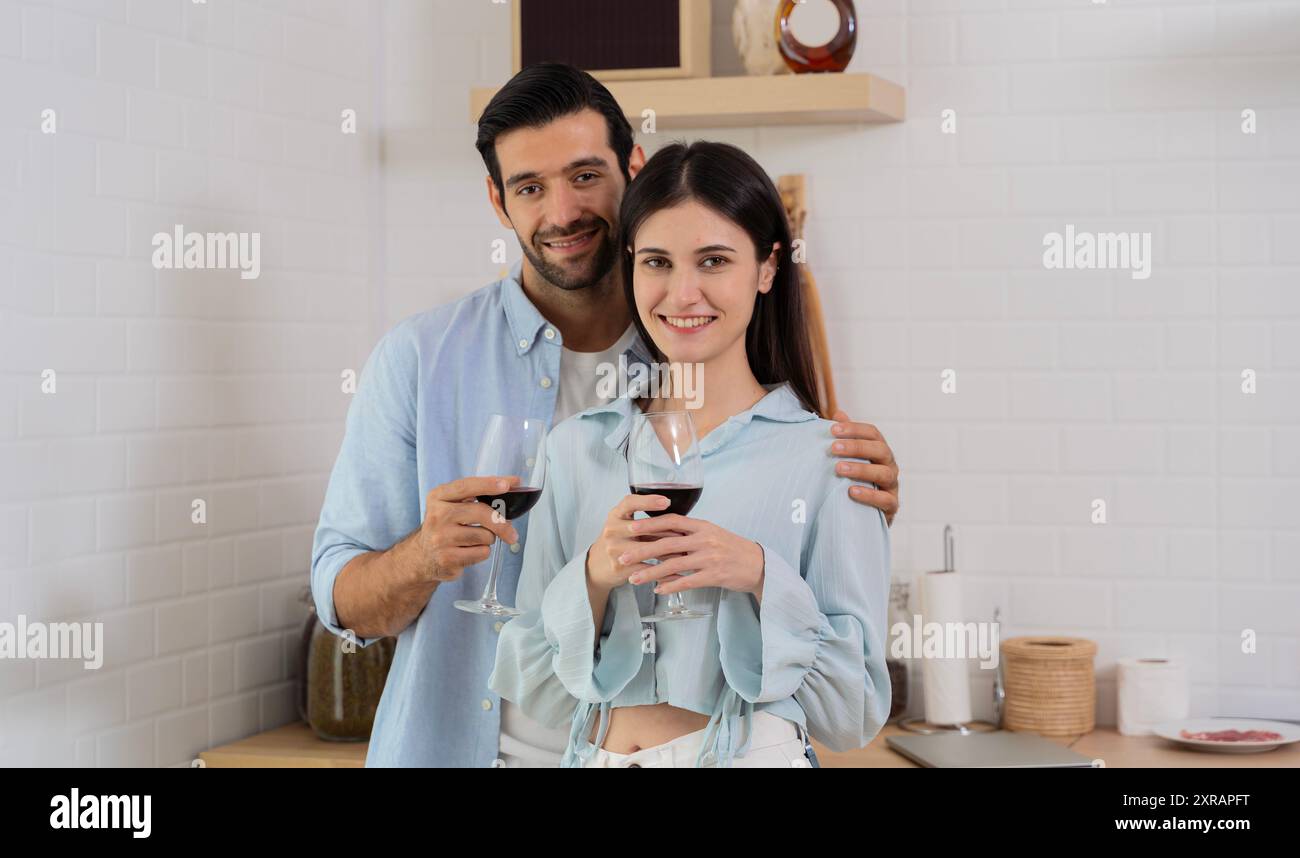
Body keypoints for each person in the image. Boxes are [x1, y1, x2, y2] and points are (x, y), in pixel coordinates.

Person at [310, 63, 901, 767]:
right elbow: (341, 596)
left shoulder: (713, 364)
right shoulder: (423, 361)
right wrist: (424, 556)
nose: (561, 211)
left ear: (632, 168)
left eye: (585, 175)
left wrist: (817, 524)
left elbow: (850, 691)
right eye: (531, 187)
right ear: (499, 202)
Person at [488, 141, 891, 767]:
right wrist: (595, 575)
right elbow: (537, 686)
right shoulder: (574, 450)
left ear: (766, 268)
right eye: (657, 262)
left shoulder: (828, 460)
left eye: (713, 261)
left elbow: (853, 710)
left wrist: (760, 574)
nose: (682, 294)